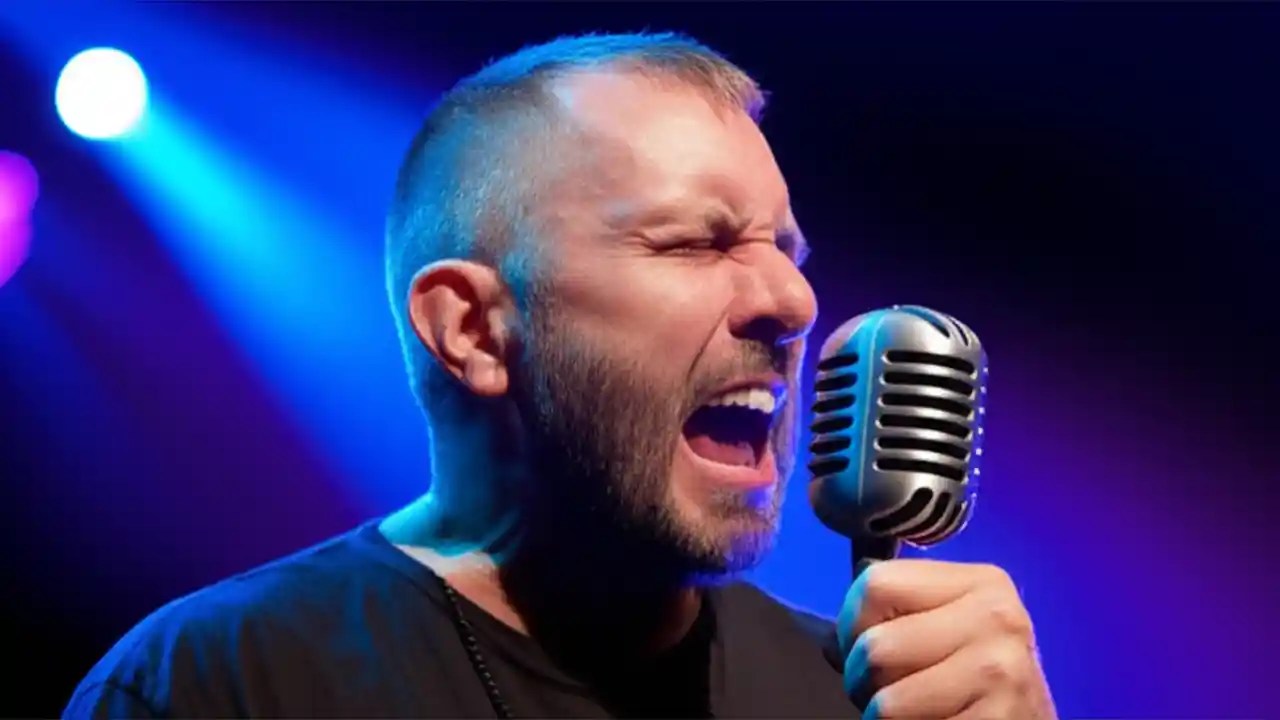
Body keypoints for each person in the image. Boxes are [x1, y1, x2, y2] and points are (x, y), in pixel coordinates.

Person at [64, 31, 1057, 719]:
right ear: (473, 330)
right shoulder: (218, 683)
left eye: (785, 254)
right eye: (693, 243)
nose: (794, 306)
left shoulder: (868, 692)